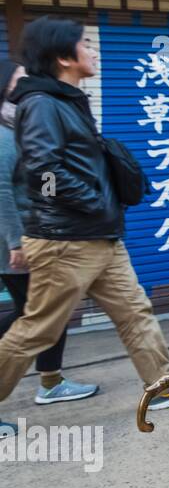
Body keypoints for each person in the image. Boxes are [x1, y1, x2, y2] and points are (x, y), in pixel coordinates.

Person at [0, 18, 169, 411]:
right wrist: (94, 202)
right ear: (63, 56)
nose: (93, 50)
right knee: (38, 330)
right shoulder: (42, 104)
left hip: (99, 236)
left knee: (135, 312)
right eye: (85, 43)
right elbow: (44, 173)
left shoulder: (65, 100)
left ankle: (163, 386)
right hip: (65, 242)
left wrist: (100, 211)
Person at [0, 59, 100, 418]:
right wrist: (16, 242)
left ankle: (51, 382)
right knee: (40, 314)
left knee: (38, 312)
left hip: (31, 238)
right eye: (20, 79)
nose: (29, 83)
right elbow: (3, 194)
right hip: (20, 244)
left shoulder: (20, 127)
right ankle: (50, 383)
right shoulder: (6, 135)